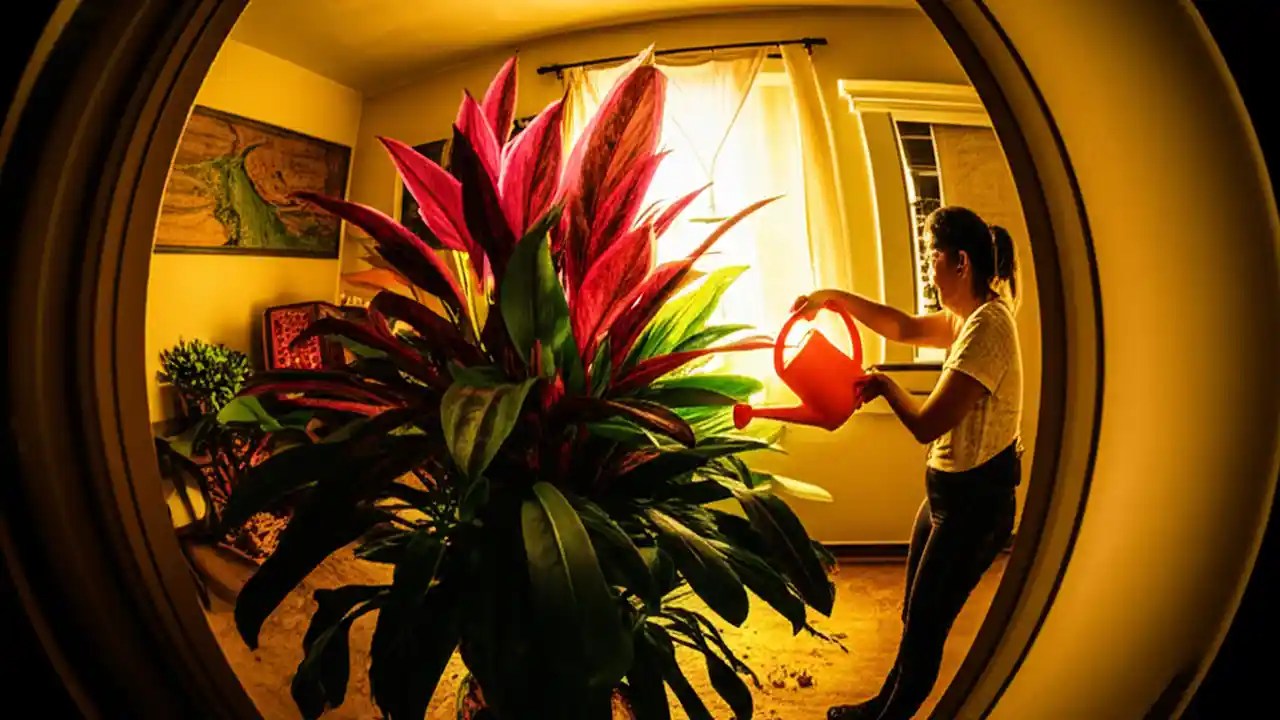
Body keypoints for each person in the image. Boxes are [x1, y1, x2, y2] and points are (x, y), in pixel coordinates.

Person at [797, 206, 1023, 720]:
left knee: (927, 627)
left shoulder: (989, 328)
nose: (927, 266)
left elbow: (926, 423)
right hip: (945, 498)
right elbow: (898, 324)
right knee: (913, 616)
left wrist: (882, 384)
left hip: (975, 508)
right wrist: (831, 298)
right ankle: (882, 706)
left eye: (932, 256)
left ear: (960, 262)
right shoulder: (967, 316)